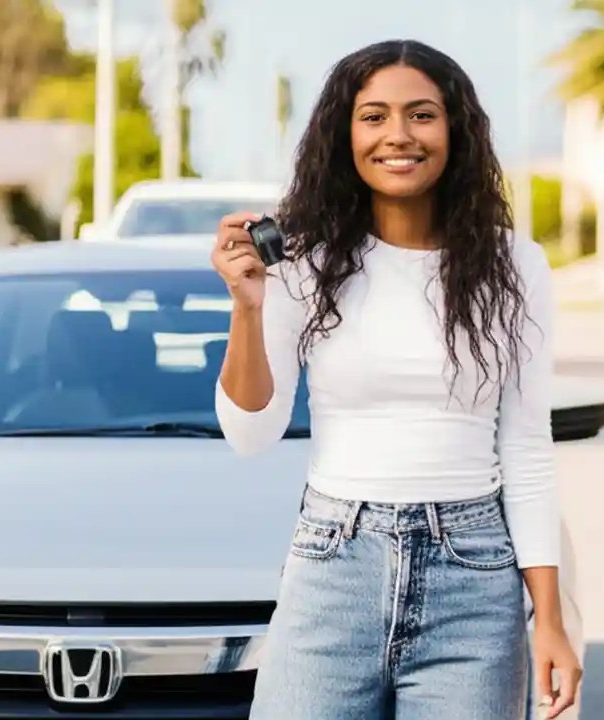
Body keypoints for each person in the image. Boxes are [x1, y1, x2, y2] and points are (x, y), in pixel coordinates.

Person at [210, 38, 582, 719]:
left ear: (455, 130)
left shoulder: (514, 266)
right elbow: (249, 433)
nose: (399, 135)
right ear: (345, 135)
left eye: (422, 115)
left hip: (473, 579)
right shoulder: (304, 264)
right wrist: (248, 308)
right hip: (333, 567)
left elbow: (526, 448)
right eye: (374, 116)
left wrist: (551, 619)